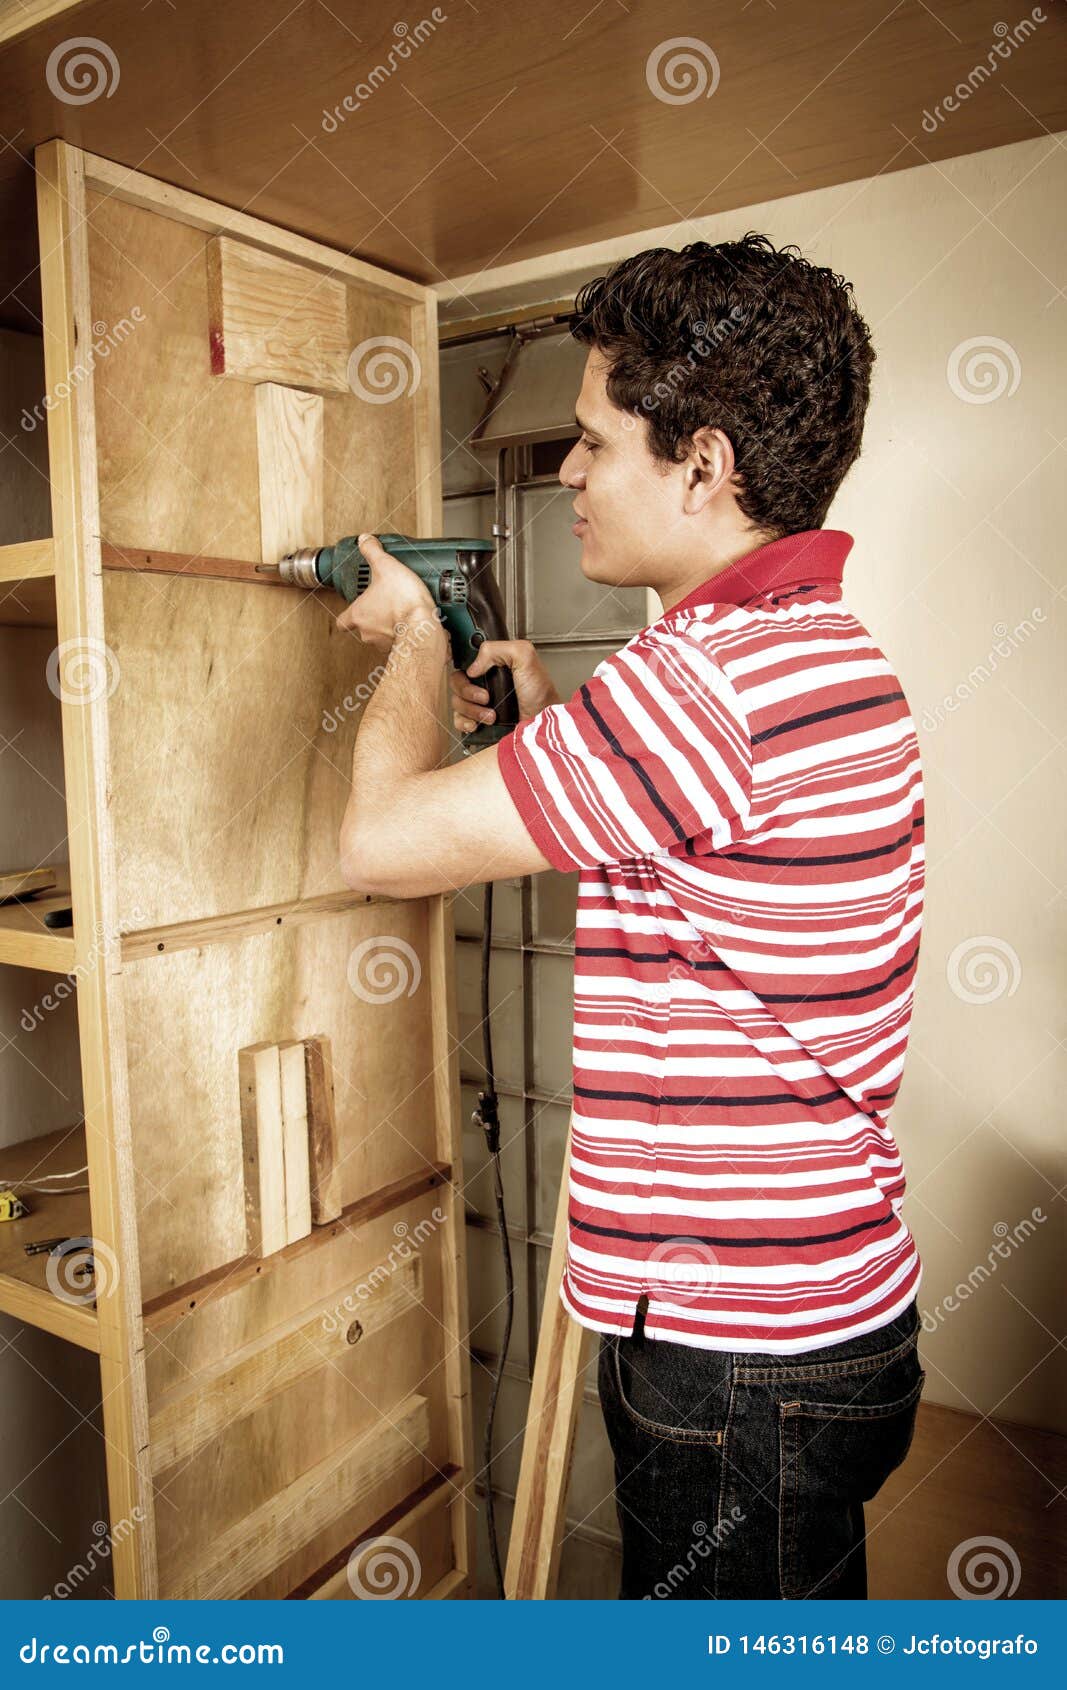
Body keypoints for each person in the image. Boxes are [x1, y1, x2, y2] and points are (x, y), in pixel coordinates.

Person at [336, 233, 925, 1600]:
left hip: (735, 1353)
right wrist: (550, 729)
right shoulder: (814, 654)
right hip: (820, 1318)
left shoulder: (696, 686)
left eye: (596, 441)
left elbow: (378, 843)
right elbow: (703, 893)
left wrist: (414, 636)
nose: (567, 471)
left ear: (704, 465)